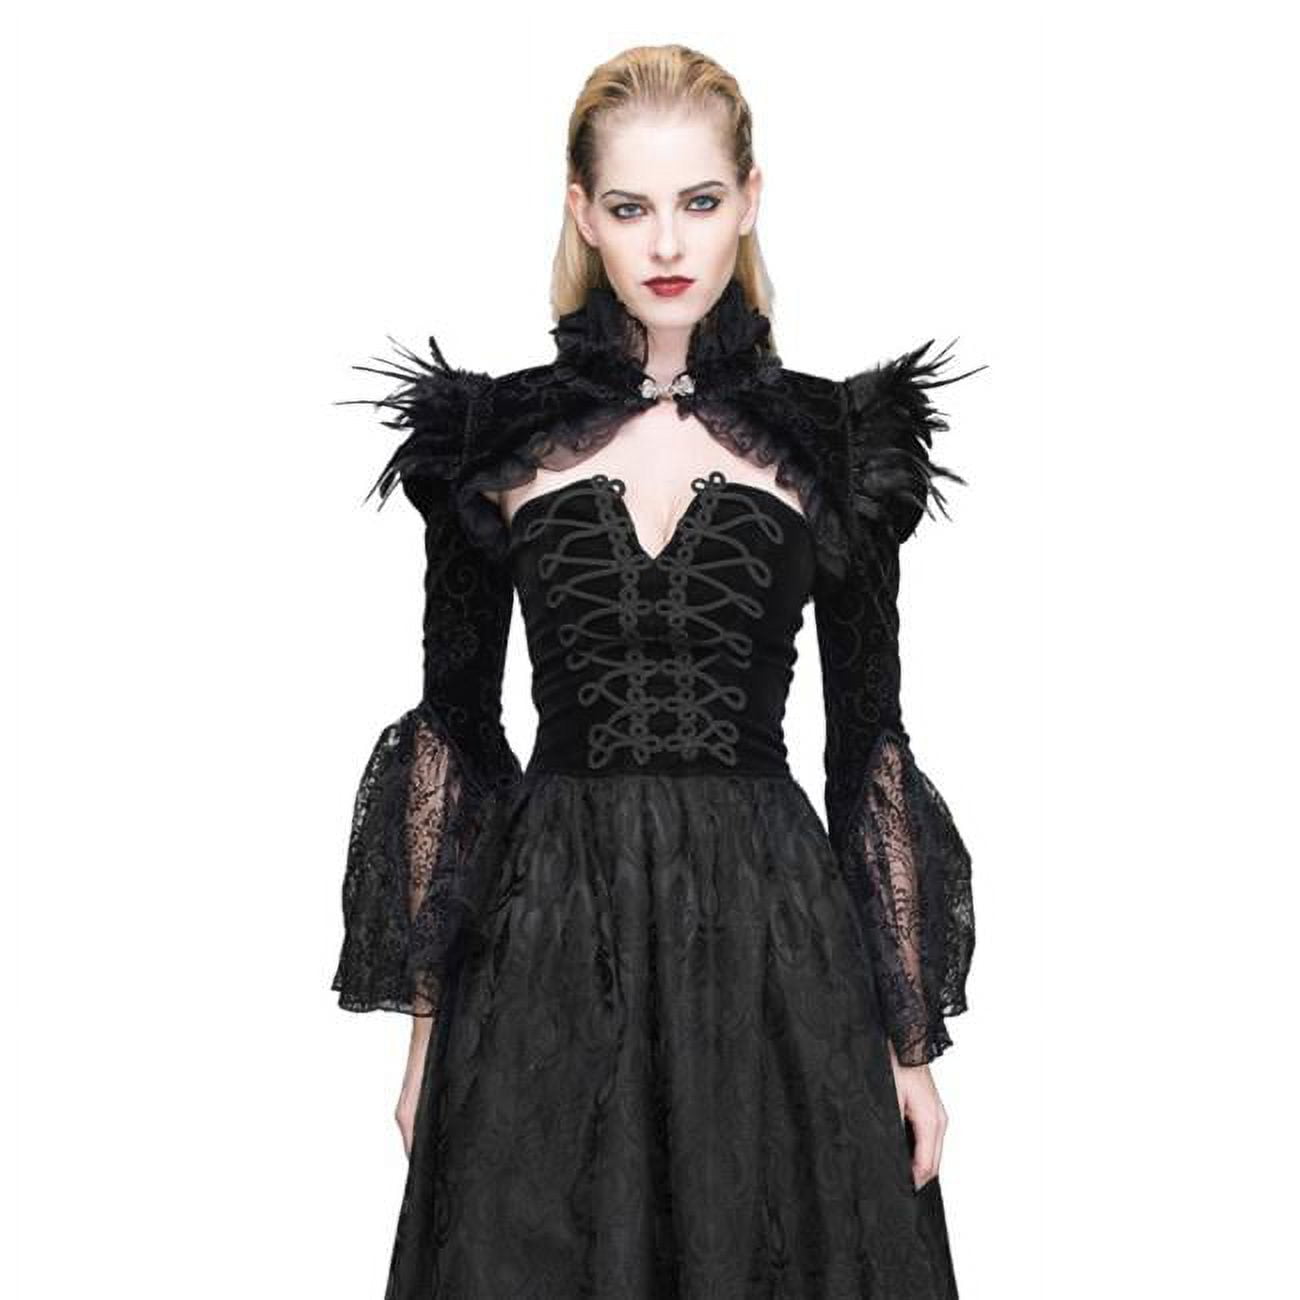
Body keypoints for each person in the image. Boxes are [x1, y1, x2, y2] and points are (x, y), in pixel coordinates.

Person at [331, 43, 980, 1299]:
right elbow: (456, 732)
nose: (668, 242)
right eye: (630, 207)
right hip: (549, 941)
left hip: (771, 942)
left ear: (749, 198)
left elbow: (867, 745)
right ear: (582, 213)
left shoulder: (834, 443)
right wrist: (425, 1031)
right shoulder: (494, 439)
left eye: (699, 200)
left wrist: (908, 1041)